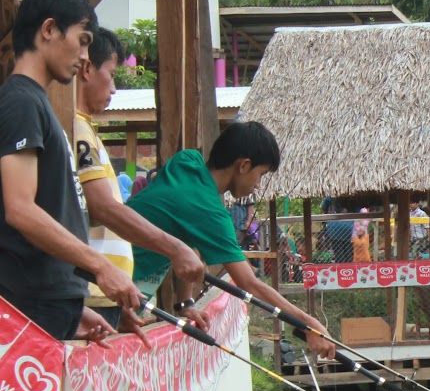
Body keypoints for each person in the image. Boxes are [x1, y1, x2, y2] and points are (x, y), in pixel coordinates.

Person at [0, 0, 141, 341]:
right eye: (82, 40)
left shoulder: (39, 104)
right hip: (28, 306)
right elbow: (19, 209)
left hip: (50, 305)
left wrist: (74, 305)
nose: (84, 56)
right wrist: (100, 266)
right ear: (49, 30)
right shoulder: (21, 103)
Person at [126, 121, 335, 363]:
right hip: (113, 294)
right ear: (244, 165)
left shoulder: (186, 161)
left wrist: (185, 303)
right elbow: (250, 284)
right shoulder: (211, 213)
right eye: (261, 174)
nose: (258, 185)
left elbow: (185, 229)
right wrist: (308, 324)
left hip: (101, 271)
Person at [73, 27, 207, 330]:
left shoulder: (86, 129)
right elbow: (102, 207)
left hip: (104, 298)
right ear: (86, 68)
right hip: (91, 294)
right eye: (111, 74)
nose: (114, 89)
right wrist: (177, 249)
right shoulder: (76, 128)